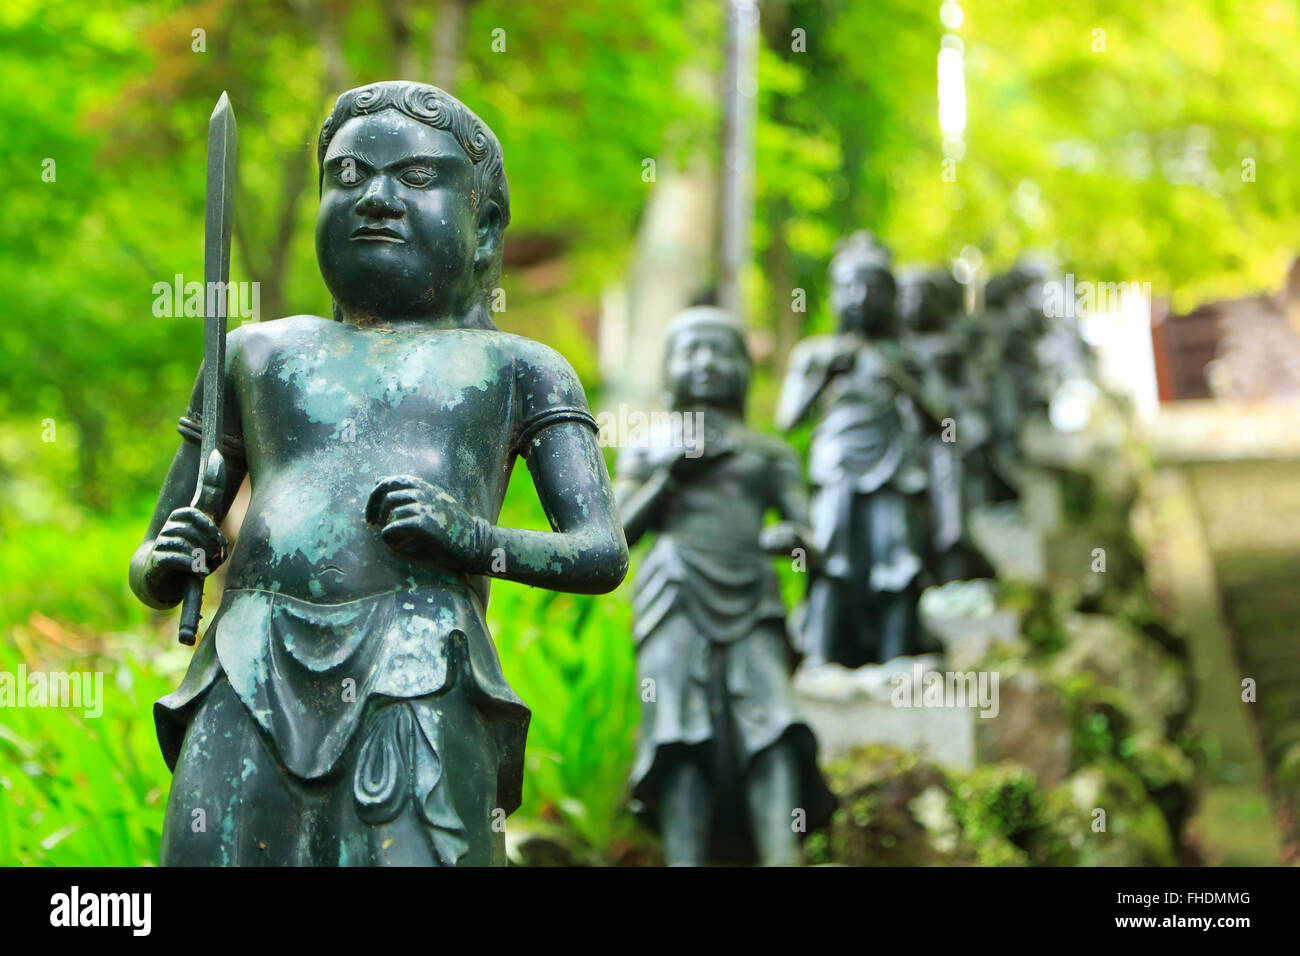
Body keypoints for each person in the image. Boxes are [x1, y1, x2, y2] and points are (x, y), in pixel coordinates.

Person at [128, 81, 628, 866]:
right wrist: (168, 560)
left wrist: (473, 540)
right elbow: (154, 559)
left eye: (419, 179)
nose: (377, 199)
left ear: (486, 226)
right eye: (350, 175)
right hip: (245, 659)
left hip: (420, 658)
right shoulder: (255, 355)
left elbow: (601, 552)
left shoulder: (520, 368)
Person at [616, 307, 834, 865]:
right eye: (691, 351)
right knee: (678, 731)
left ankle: (780, 853)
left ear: (745, 367)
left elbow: (814, 539)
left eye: (721, 350)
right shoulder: (649, 444)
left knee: (775, 724)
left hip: (753, 594)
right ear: (668, 368)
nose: (707, 363)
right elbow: (615, 535)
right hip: (673, 591)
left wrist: (794, 538)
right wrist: (671, 476)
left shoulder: (768, 452)